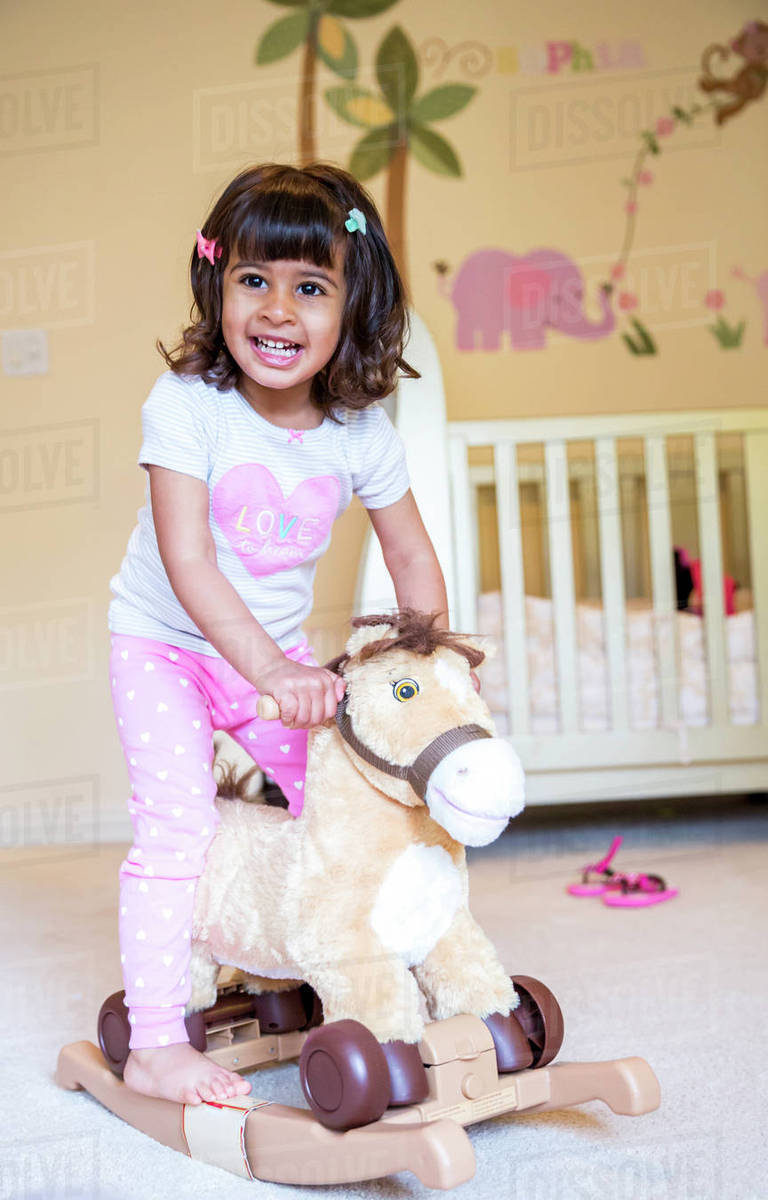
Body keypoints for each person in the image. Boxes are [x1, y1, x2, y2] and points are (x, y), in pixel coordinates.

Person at [108, 162, 450, 1107]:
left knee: (340, 806)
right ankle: (154, 1039)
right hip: (167, 647)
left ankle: (351, 959)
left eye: (310, 288)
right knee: (176, 830)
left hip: (273, 660)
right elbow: (189, 562)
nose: (276, 310)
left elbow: (413, 561)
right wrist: (273, 669)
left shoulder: (358, 428)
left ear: (354, 303)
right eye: (253, 280)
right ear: (216, 284)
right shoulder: (185, 405)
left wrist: (425, 672)